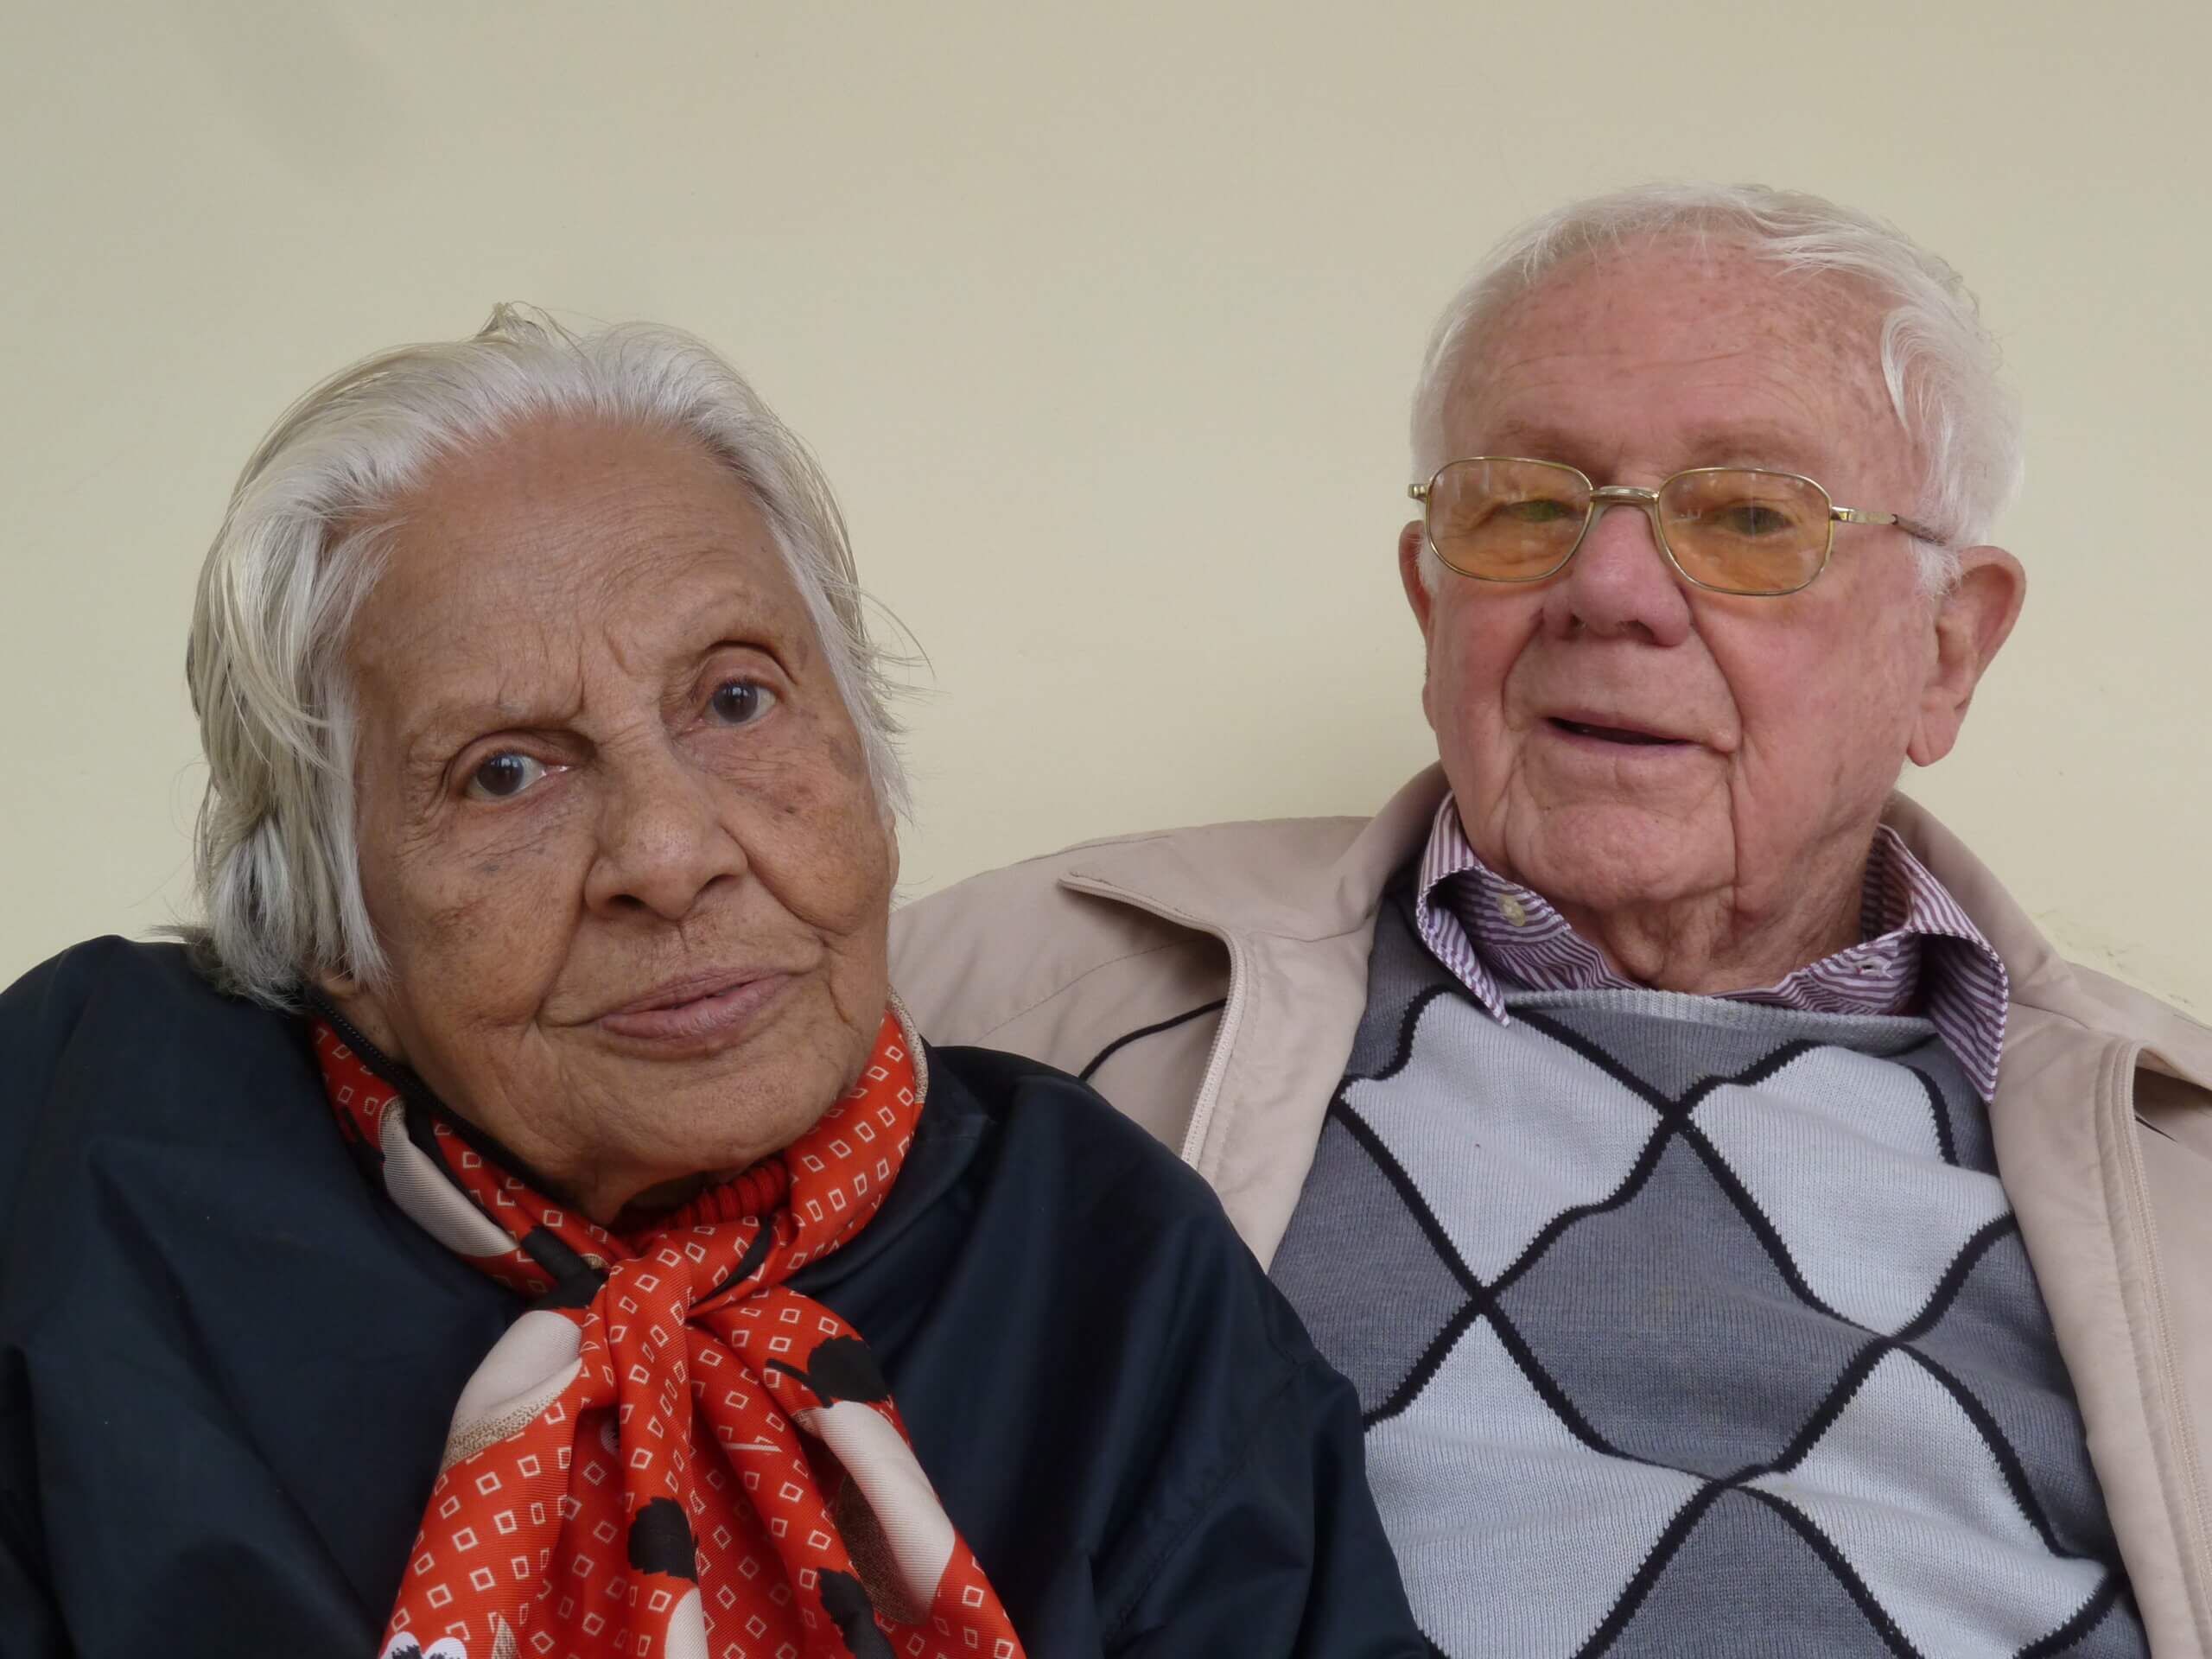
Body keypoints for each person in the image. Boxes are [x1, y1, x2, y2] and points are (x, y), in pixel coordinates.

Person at [890, 185, 2212, 1656]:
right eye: (1525, 504)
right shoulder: (1002, 1003)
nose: (1609, 588)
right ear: (1431, 600)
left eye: (1751, 517)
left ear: (1948, 650)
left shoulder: (2183, 1171)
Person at [0, 309, 1427, 1659]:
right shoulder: (88, 1128)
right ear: (324, 917)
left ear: (864, 761)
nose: (670, 856)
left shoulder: (1102, 1257)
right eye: (506, 772)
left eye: (736, 698)